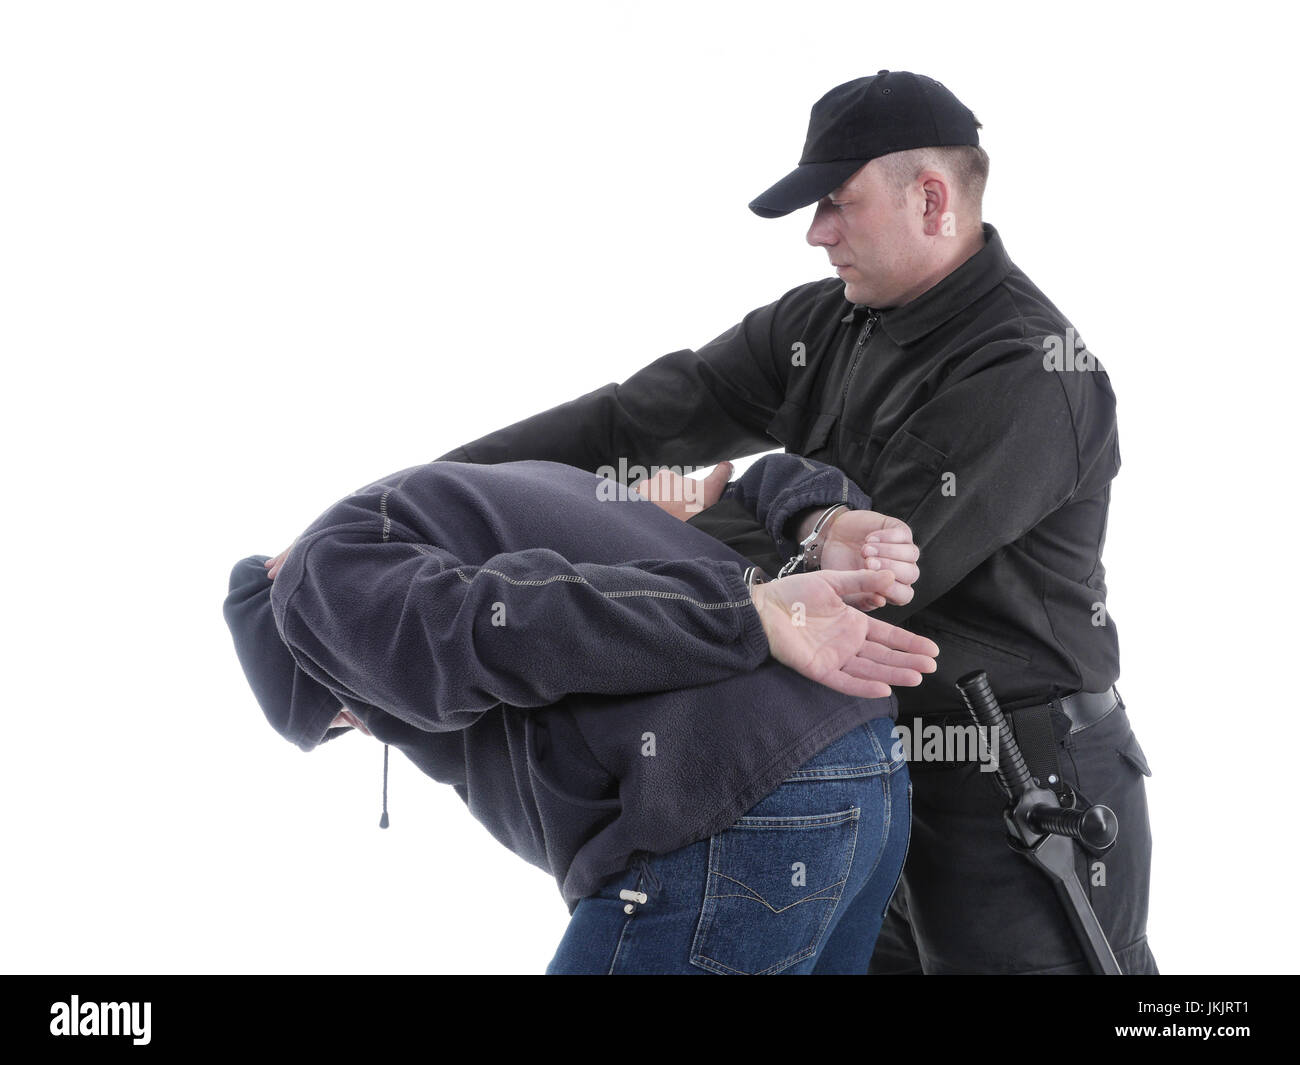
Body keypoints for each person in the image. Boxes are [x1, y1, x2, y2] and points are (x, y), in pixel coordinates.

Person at [416, 70, 1158, 974]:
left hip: (1012, 786)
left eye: (838, 205)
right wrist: (416, 509)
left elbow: (855, 576)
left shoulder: (1031, 372)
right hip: (855, 769)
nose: (817, 233)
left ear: (931, 200)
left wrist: (700, 511)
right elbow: (627, 423)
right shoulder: (829, 323)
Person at [226, 451, 940, 973]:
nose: (363, 719)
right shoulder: (508, 488)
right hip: (862, 774)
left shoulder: (311, 586)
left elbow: (507, 621)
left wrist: (741, 610)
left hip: (733, 802)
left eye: (343, 716)